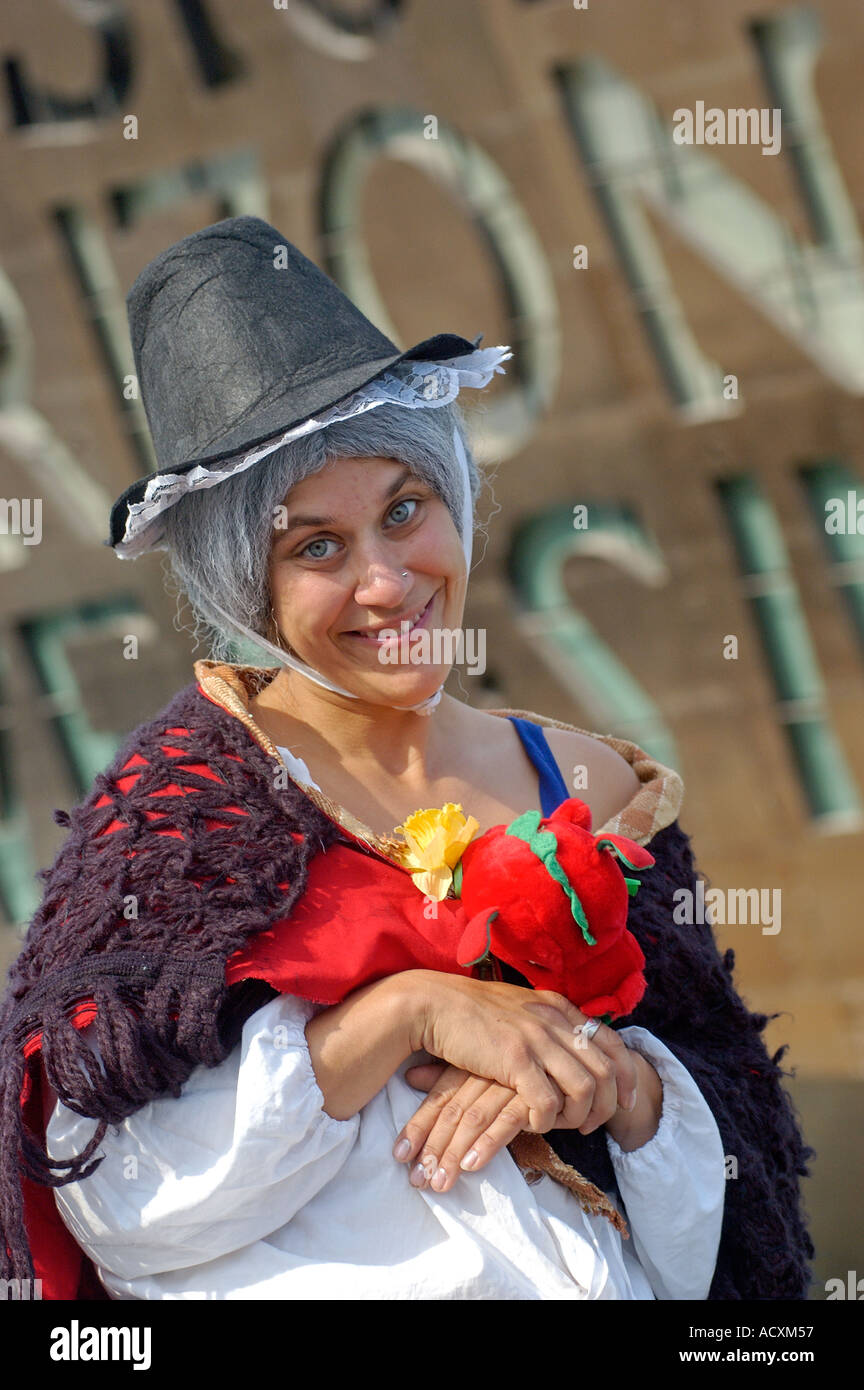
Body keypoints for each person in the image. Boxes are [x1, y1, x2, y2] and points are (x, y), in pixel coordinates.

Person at [0, 217, 813, 1301]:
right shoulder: (184, 809)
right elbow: (120, 1206)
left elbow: (749, 1203)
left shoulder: (597, 788)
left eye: (405, 508)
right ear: (251, 589)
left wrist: (616, 1084)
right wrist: (405, 1015)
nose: (387, 582)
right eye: (317, 547)